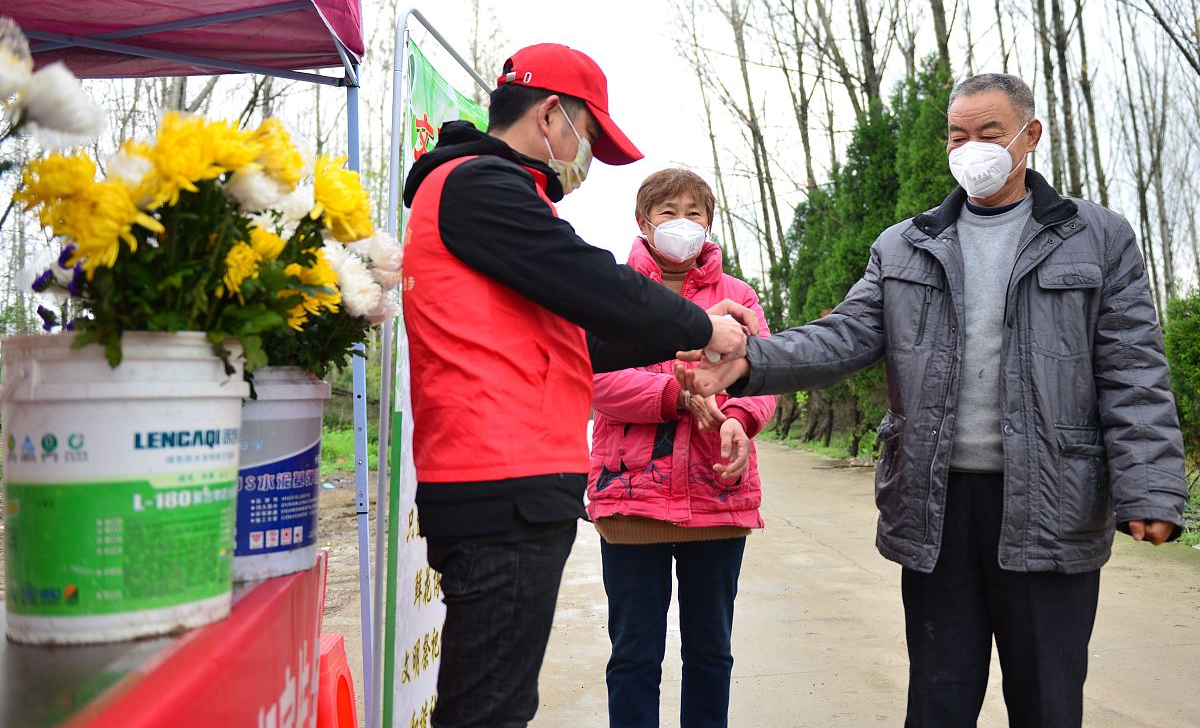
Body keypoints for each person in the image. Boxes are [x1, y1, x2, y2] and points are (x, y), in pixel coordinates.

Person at [679, 73, 1188, 727]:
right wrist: (751, 358)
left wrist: (1150, 489)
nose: (969, 146)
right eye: (957, 134)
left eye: (988, 133)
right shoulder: (906, 244)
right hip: (936, 505)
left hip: (1052, 502)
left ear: (1029, 136)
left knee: (1048, 701)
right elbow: (843, 336)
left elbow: (1132, 366)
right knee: (939, 699)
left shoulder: (1098, 238)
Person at [400, 43, 757, 728]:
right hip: (498, 483)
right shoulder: (478, 186)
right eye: (587, 136)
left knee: (502, 699)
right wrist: (703, 329)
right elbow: (592, 283)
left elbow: (575, 336)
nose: (585, 154)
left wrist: (689, 331)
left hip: (516, 483)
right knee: (490, 709)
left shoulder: (492, 194)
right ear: (552, 116)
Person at [587, 169, 775, 728]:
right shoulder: (611, 290)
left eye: (695, 212)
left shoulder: (738, 297)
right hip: (631, 499)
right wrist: (673, 393)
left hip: (716, 495)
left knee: (711, 651)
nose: (682, 223)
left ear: (710, 222)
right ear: (642, 221)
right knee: (634, 654)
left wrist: (738, 417)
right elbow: (594, 380)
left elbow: (762, 375)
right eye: (668, 211)